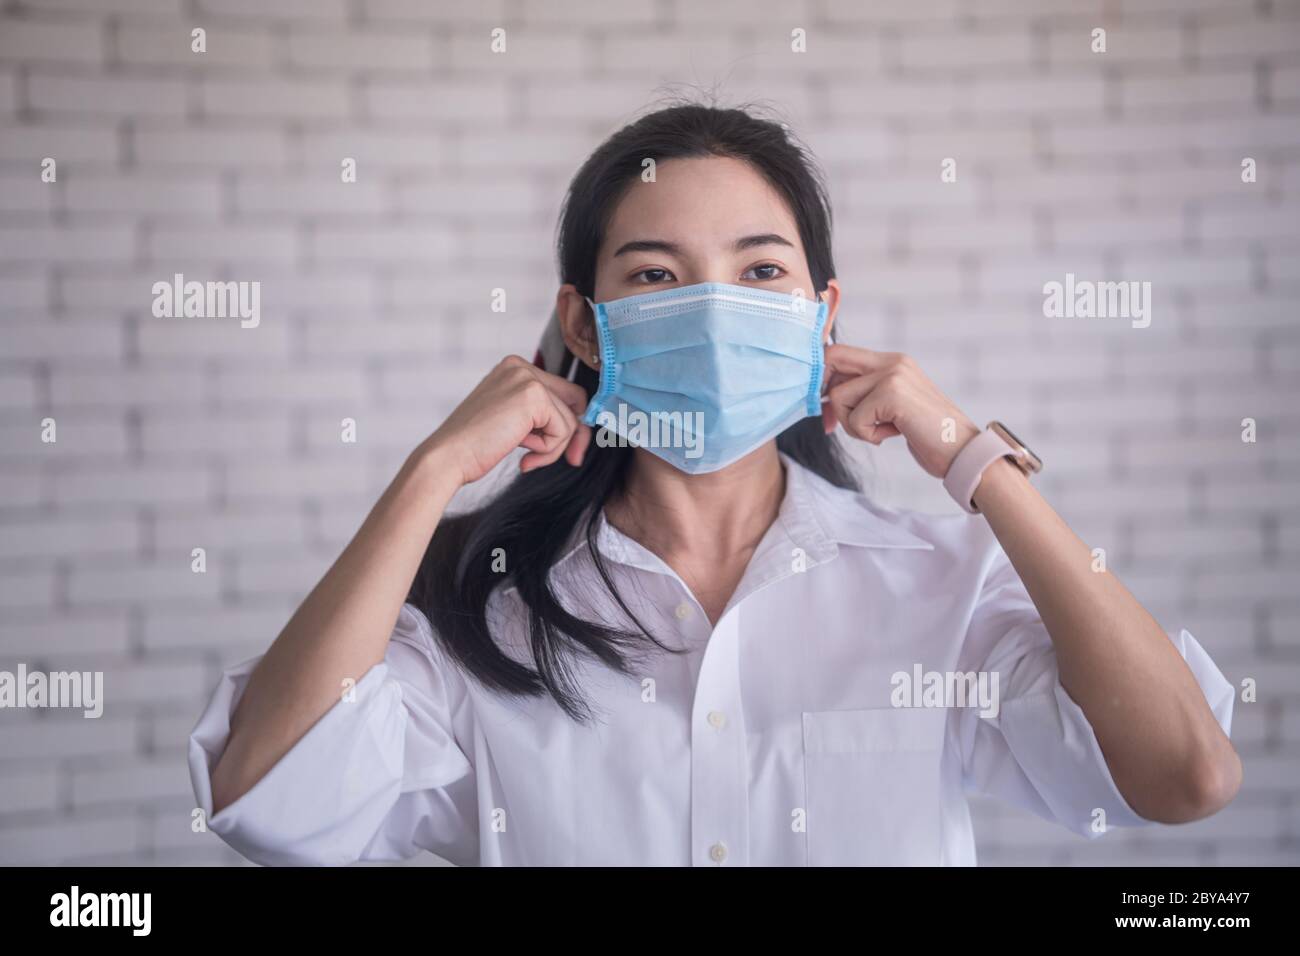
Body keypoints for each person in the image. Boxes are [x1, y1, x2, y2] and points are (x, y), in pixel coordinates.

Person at [188, 103, 1239, 867]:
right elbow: (265, 797)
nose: (710, 306)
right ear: (582, 323)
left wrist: (972, 457)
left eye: (759, 270)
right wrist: (428, 475)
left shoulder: (937, 586)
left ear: (822, 315)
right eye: (652, 273)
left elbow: (1183, 774)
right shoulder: (480, 599)